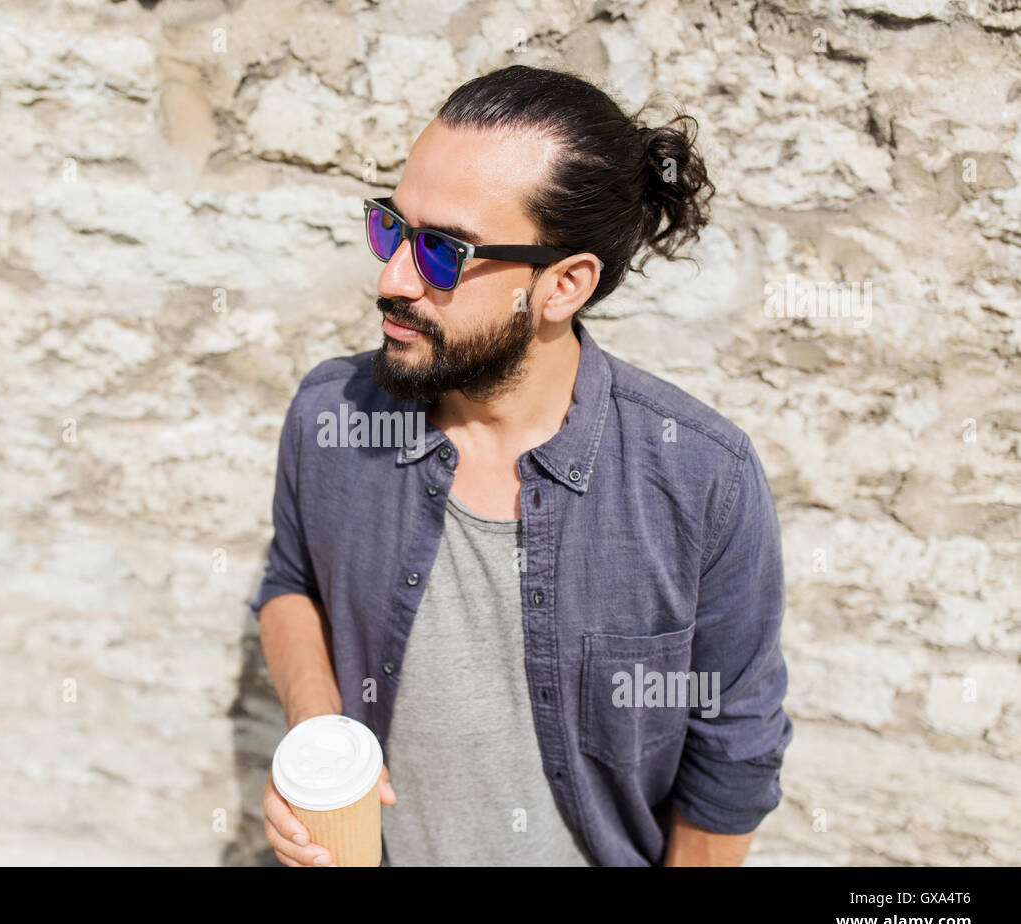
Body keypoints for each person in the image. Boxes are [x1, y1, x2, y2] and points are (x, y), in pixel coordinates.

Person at [251, 65, 792, 866]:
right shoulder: (333, 414)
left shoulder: (701, 480)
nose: (393, 277)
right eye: (392, 229)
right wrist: (321, 739)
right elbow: (291, 584)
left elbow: (735, 748)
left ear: (563, 286)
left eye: (442, 251)